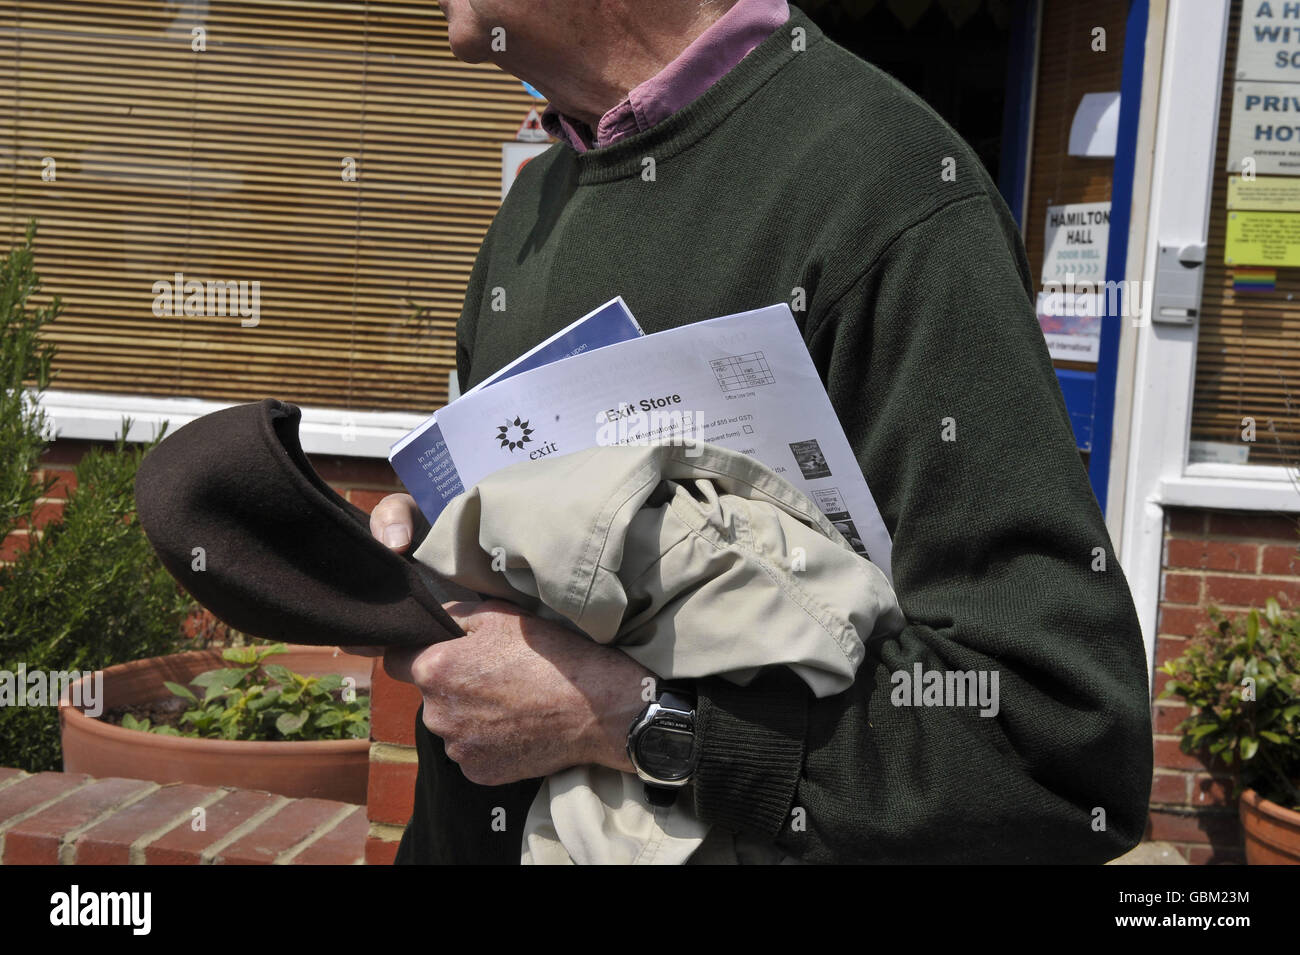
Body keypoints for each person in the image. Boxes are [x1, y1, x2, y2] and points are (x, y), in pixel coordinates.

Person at [358, 0, 1153, 864]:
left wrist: (631, 719)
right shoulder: (537, 205)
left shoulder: (890, 190)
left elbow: (1056, 753)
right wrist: (451, 537)